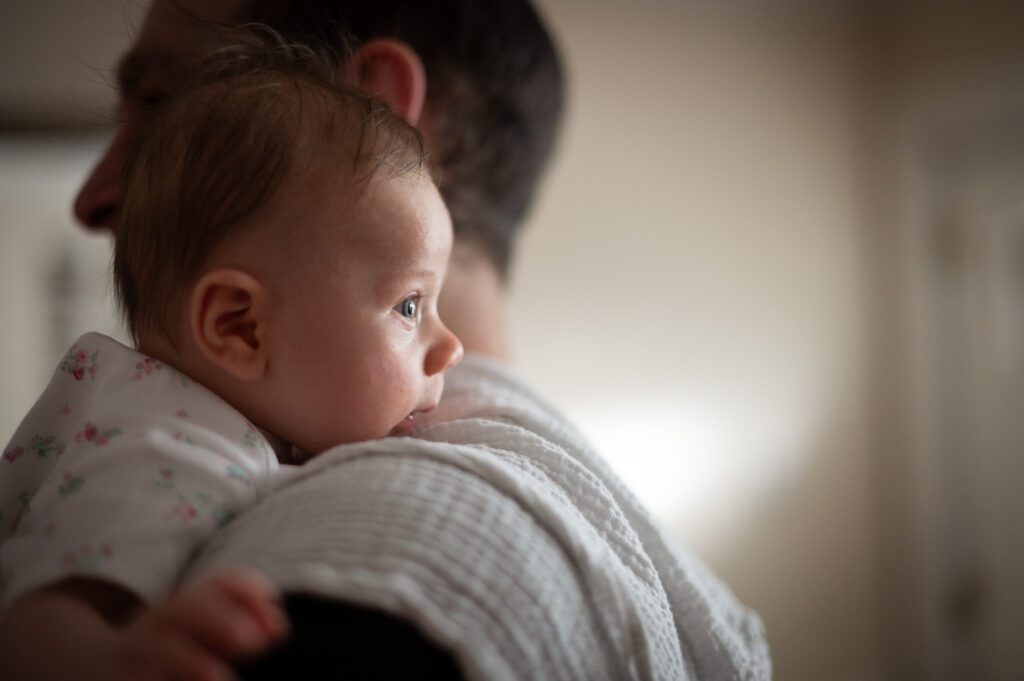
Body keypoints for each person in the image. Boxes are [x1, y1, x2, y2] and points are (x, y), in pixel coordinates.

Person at [69, 1, 773, 678]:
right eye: (411, 307)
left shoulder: (377, 564)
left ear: (374, 102)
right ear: (234, 324)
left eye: (160, 104)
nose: (91, 198)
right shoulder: (153, 449)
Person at [0, 41, 463, 680]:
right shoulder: (174, 450)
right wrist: (117, 660)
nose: (452, 345)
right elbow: (29, 625)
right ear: (239, 327)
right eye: (410, 307)